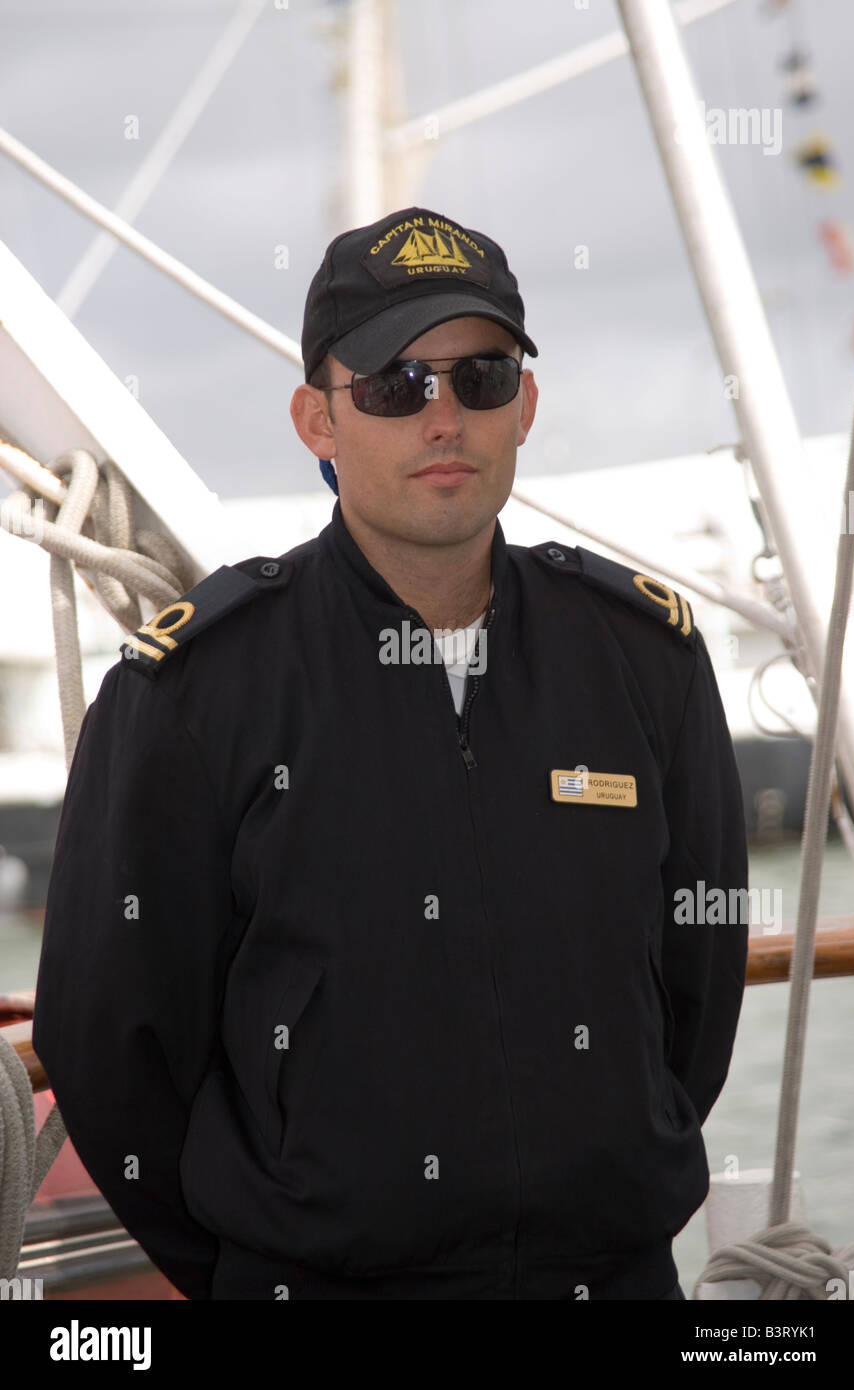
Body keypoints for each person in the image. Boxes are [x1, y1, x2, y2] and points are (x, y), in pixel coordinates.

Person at [33, 205, 749, 1301]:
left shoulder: (640, 659)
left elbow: (693, 993)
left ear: (525, 408)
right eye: (393, 386)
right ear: (316, 420)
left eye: (481, 378)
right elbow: (108, 1042)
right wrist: (262, 1251)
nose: (443, 417)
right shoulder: (195, 690)